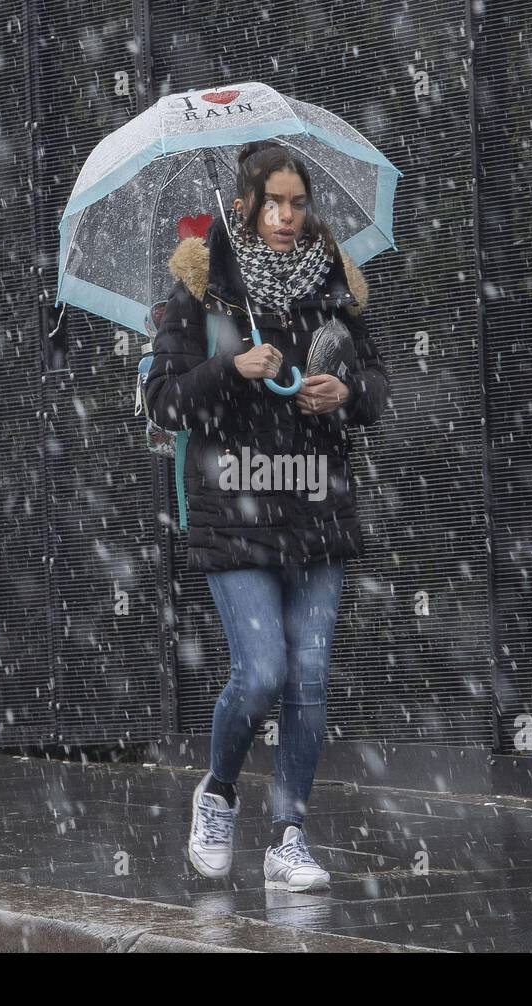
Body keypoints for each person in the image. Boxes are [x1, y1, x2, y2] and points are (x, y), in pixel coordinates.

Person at [145, 139, 389, 892]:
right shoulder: (199, 290)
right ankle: (217, 793)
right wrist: (230, 367)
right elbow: (163, 401)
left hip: (316, 502)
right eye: (274, 202)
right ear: (245, 205)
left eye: (298, 202)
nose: (288, 217)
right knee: (262, 675)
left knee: (310, 679)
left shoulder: (334, 286)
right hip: (234, 505)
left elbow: (377, 381)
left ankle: (289, 835)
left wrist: (345, 395)